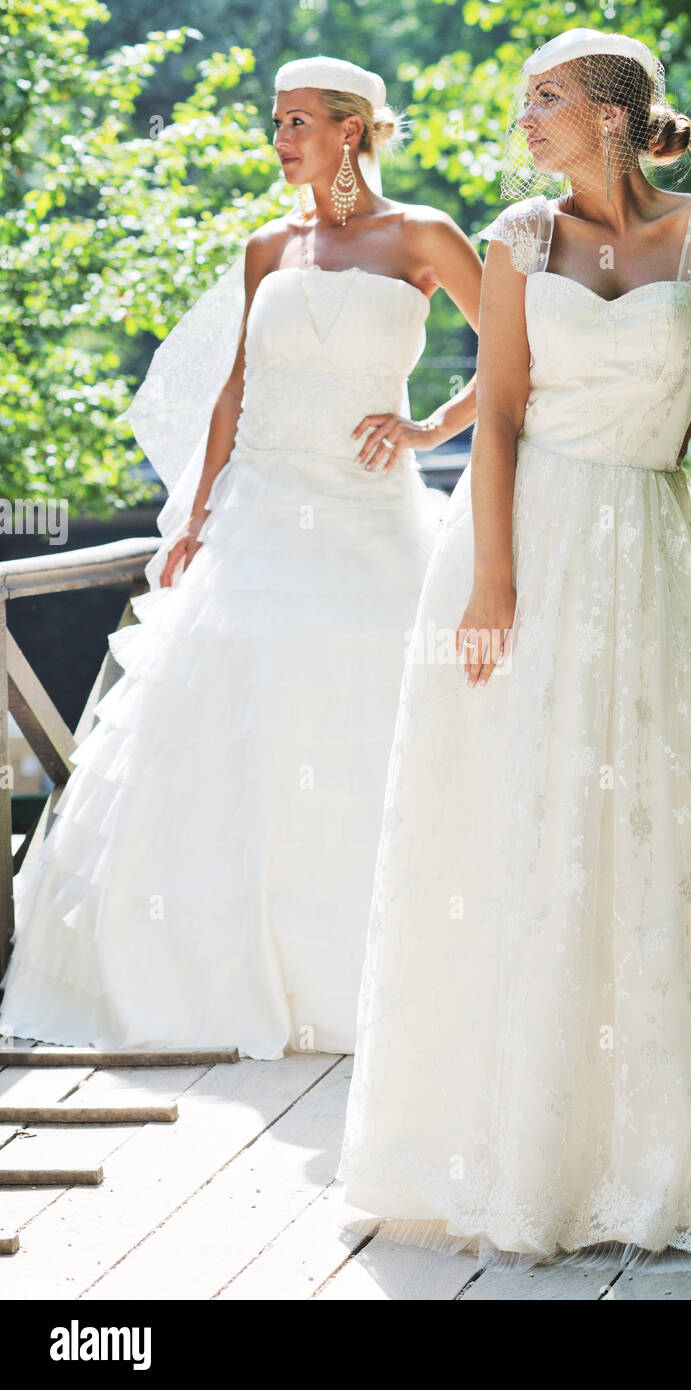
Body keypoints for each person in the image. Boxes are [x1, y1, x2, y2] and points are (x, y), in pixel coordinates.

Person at [336, 28, 691, 1269]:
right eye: (523, 100)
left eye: (548, 99)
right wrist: (488, 583)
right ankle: (508, 1143)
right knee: (511, 820)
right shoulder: (518, 237)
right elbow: (500, 422)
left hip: (650, 541)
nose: (525, 118)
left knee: (648, 822)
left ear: (616, 116)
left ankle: (644, 1154)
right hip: (524, 540)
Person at [0, 56, 483, 1059]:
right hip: (259, 511)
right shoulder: (269, 246)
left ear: (352, 130)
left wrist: (434, 425)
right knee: (233, 720)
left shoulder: (423, 234)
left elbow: (520, 352)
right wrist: (194, 517)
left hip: (370, 518)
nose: (280, 139)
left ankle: (380, 982)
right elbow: (230, 389)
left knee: (366, 720)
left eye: (298, 121)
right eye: (275, 122)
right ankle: (200, 982)